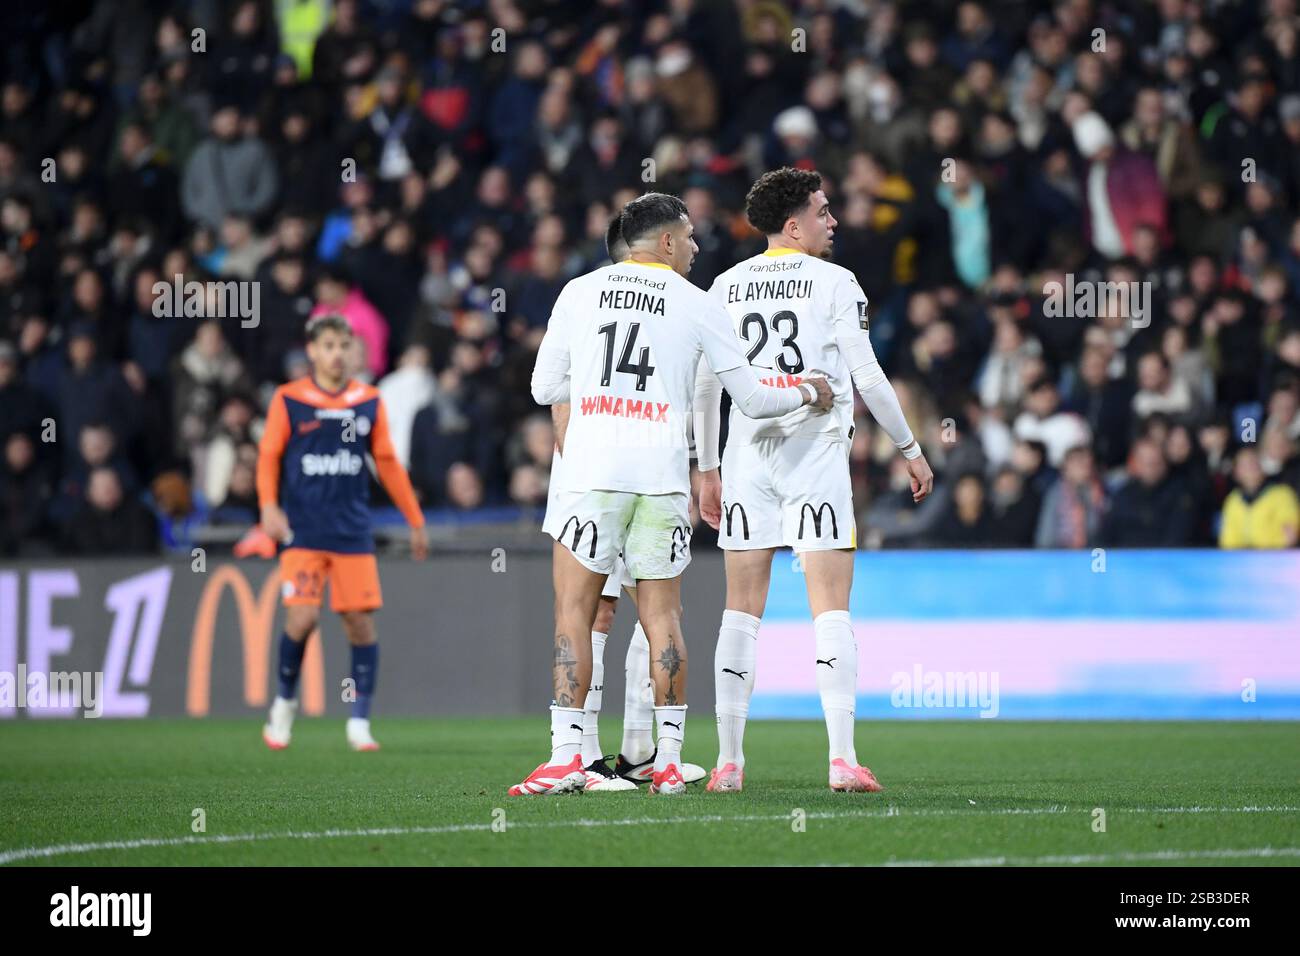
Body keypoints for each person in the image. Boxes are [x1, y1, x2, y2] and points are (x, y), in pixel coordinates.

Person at [518, 191, 832, 796]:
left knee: (574, 614)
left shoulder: (578, 292)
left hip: (591, 476)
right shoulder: (696, 303)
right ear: (664, 241)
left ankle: (565, 759)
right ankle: (666, 761)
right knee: (663, 618)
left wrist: (594, 397)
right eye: (689, 236)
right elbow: (753, 398)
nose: (696, 246)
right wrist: (809, 391)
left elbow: (542, 387)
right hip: (660, 479)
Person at [696, 167, 933, 793]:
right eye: (823, 212)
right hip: (815, 452)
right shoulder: (834, 282)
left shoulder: (723, 285)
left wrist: (707, 466)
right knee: (829, 606)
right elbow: (869, 376)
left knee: (740, 611)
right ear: (793, 225)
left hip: (746, 453)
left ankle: (727, 764)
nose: (833, 221)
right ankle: (841, 760)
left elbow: (705, 386)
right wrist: (909, 446)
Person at [257, 314, 428, 753]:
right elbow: (269, 455)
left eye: (343, 346)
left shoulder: (367, 401)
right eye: (328, 346)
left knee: (359, 625)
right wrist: (268, 506)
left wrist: (414, 518)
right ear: (312, 351)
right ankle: (284, 703)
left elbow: (387, 463)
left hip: (352, 533)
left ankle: (358, 721)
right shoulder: (289, 399)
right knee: (303, 618)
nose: (337, 354)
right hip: (304, 532)